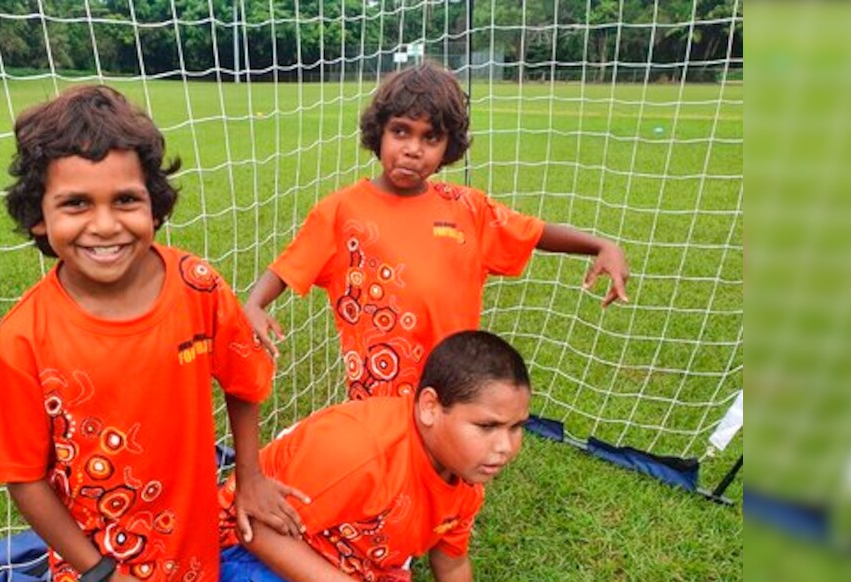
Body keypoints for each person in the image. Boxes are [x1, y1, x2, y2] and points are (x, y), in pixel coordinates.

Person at [0, 84, 306, 582]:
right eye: (75, 204)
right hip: (100, 579)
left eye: (125, 199)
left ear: (155, 202)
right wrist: (102, 577)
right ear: (39, 218)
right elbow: (24, 480)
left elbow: (244, 378)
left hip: (194, 546)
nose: (104, 225)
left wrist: (249, 475)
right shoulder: (20, 343)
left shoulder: (198, 285)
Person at [245, 62, 629, 401]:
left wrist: (600, 245)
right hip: (378, 392)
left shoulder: (468, 208)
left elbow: (536, 232)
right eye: (401, 131)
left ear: (448, 147)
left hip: (455, 387)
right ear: (378, 132)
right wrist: (254, 305)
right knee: (388, 474)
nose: (413, 149)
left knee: (449, 471)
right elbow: (287, 267)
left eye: (430, 138)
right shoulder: (342, 211)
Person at [200, 330, 533, 582]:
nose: (505, 446)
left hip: (329, 548)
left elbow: (450, 559)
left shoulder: (464, 472)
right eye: (487, 426)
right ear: (430, 407)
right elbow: (256, 528)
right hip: (232, 549)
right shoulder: (359, 450)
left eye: (516, 428)